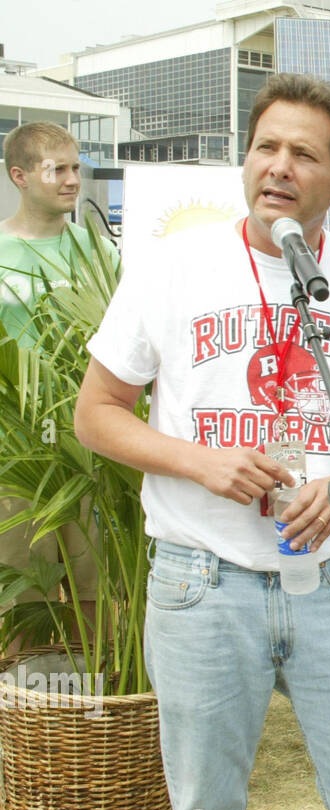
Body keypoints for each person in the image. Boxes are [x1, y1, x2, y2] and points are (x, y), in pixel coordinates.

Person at [74, 73, 330, 810]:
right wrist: (197, 461)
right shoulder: (172, 269)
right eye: (266, 146)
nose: (278, 165)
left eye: (303, 153)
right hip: (202, 584)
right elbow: (94, 413)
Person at [1, 122, 120, 649]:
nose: (73, 180)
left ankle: (95, 703)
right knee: (25, 587)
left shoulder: (99, 254)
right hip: (17, 454)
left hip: (87, 445)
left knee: (94, 586)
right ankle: (23, 711)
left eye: (77, 168)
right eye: (59, 169)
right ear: (20, 176)